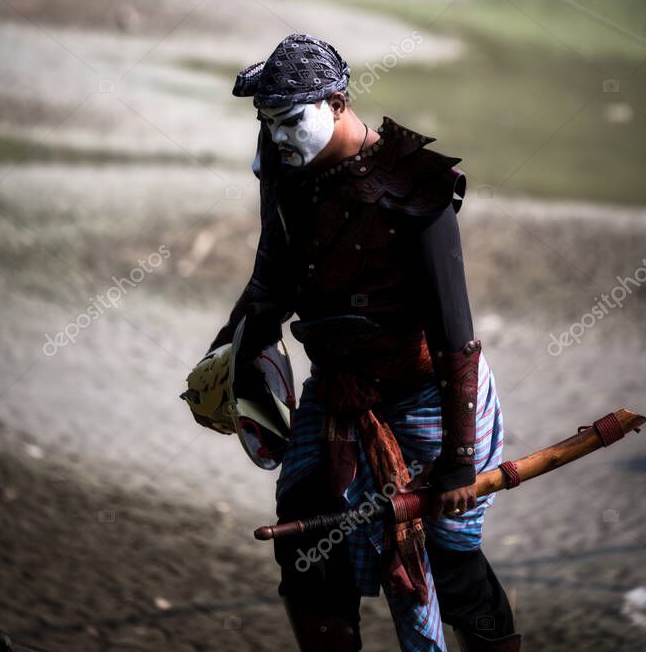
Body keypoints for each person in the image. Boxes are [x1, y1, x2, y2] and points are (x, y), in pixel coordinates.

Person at [199, 32, 521, 652]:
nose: (280, 135)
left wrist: (457, 459)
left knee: (448, 560)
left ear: (339, 102)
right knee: (305, 540)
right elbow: (274, 275)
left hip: (431, 397)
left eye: (292, 119)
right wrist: (232, 356)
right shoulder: (284, 168)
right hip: (339, 393)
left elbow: (456, 335)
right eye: (267, 122)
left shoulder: (417, 190)